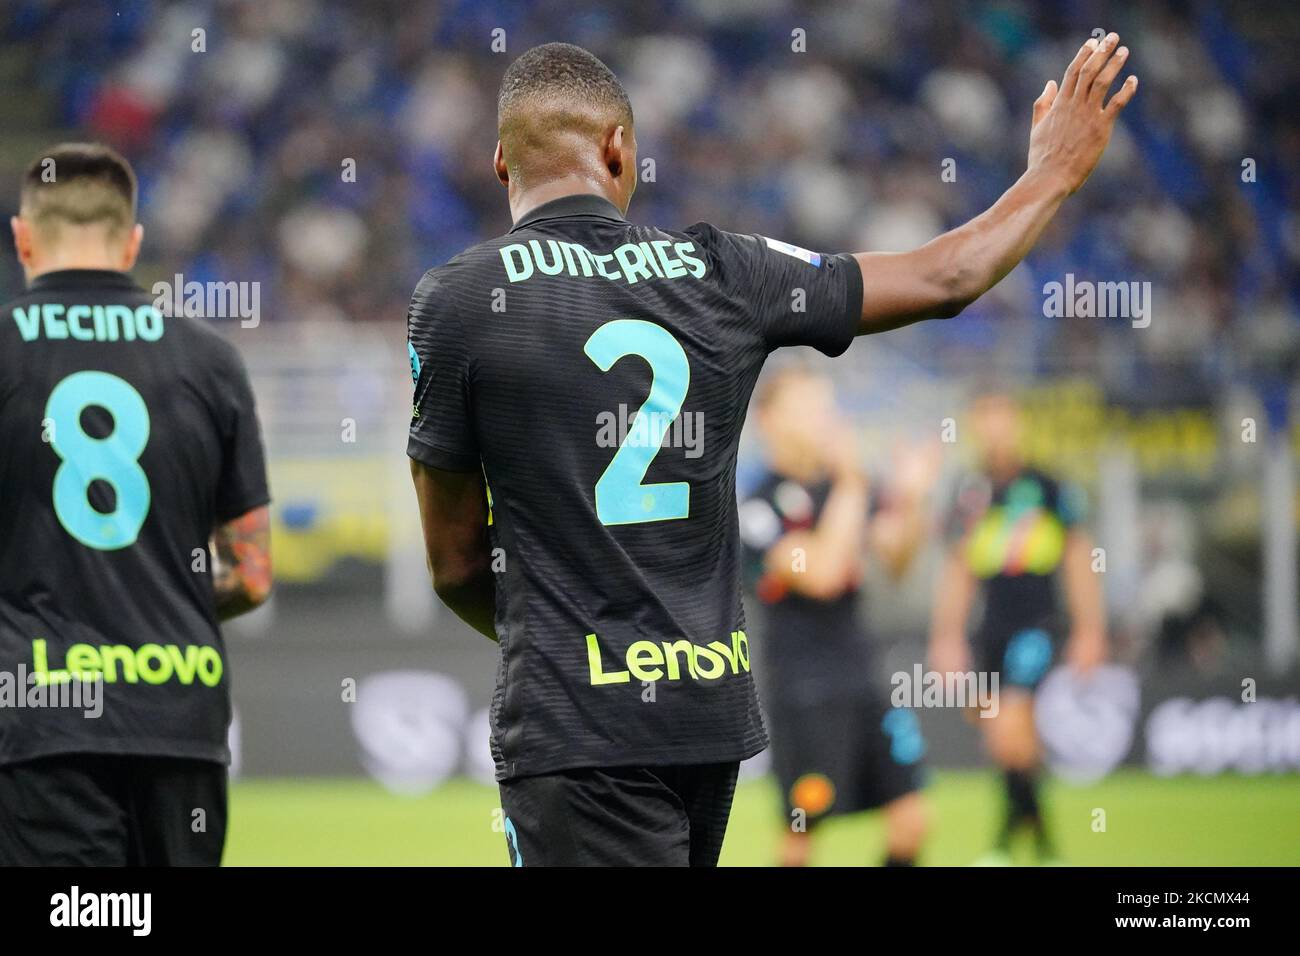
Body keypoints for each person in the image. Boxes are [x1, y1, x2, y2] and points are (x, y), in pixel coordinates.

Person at [407, 36, 1136, 866]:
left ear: (502, 164)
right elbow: (946, 278)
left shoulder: (459, 301)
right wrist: (1052, 174)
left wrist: (564, 648)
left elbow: (457, 561)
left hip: (574, 726)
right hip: (706, 717)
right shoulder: (723, 270)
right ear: (619, 149)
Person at [0, 143, 272, 865]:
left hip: (41, 723)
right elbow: (251, 574)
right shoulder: (211, 360)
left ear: (23, 238)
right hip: (181, 720)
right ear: (133, 242)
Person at [740, 366, 934, 866]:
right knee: (803, 835)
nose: (824, 420)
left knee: (912, 818)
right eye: (807, 408)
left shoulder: (840, 488)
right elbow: (821, 574)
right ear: (768, 421)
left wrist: (911, 499)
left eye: (826, 407)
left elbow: (895, 559)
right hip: (804, 689)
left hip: (861, 677)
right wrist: (853, 480)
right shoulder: (758, 505)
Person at [929, 389, 1106, 865]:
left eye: (1002, 418)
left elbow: (1078, 561)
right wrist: (947, 637)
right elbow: (959, 570)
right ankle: (1041, 843)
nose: (995, 429)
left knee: (1010, 727)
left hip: (1038, 624)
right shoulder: (969, 492)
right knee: (1004, 741)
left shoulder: (1049, 487)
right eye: (985, 419)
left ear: (1018, 423)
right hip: (991, 628)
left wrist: (1090, 630)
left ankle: (1004, 845)